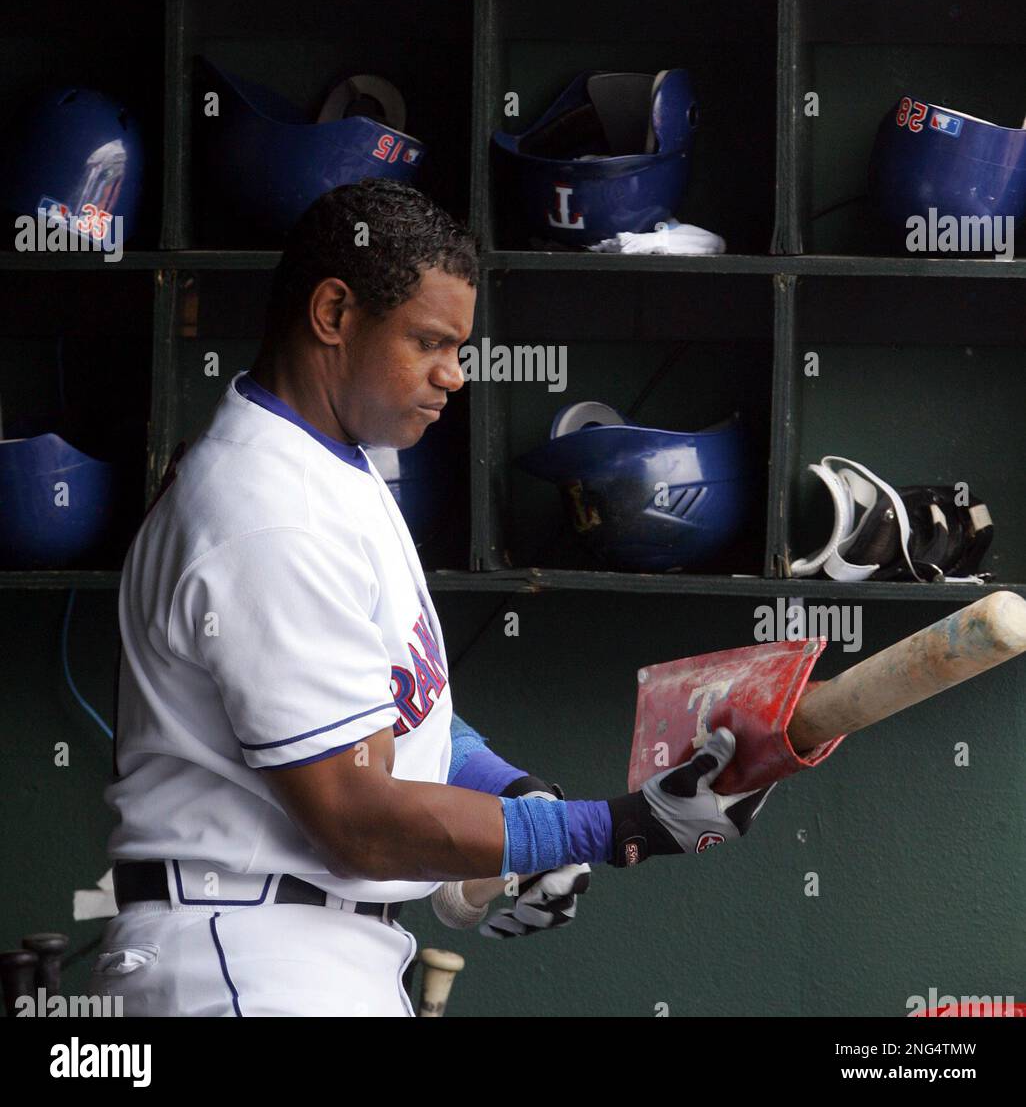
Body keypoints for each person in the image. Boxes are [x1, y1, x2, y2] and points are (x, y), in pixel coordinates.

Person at [88, 179, 773, 1017]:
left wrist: (523, 802)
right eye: (430, 342)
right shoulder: (267, 513)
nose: (455, 374)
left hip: (307, 949)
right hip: (246, 953)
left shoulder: (332, 462)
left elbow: (401, 719)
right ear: (334, 314)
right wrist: (614, 826)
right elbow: (357, 815)